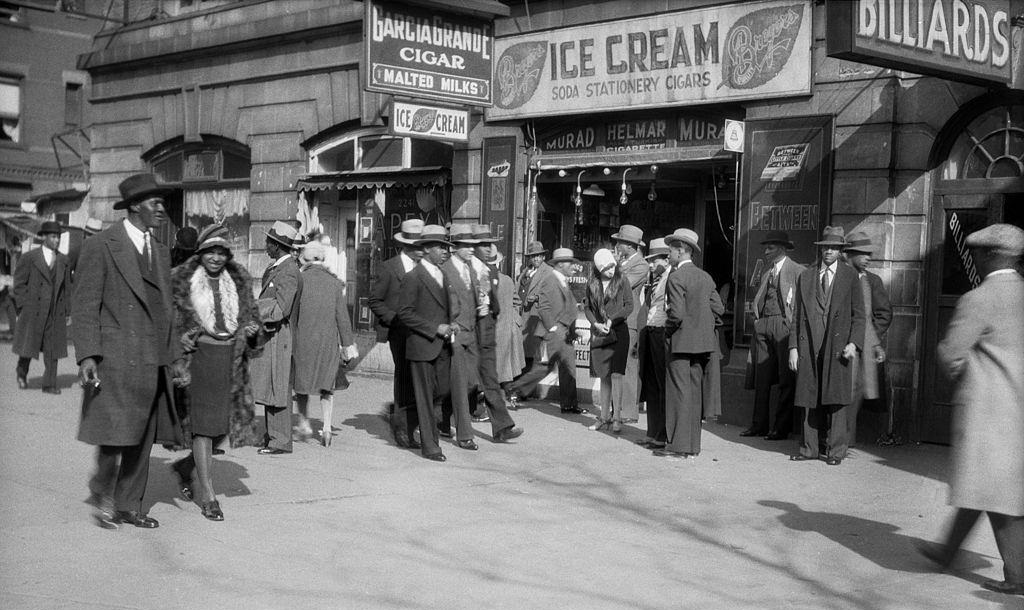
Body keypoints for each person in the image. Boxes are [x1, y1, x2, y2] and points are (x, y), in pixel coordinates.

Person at [73, 173, 185, 529]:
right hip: (116, 358)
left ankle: (129, 504)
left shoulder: (161, 252)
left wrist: (178, 359)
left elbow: (167, 309)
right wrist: (88, 355)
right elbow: (86, 304)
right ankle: (103, 489)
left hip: (152, 359)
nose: (161, 209)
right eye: (154, 202)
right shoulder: (102, 245)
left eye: (162, 203)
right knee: (114, 434)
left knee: (143, 436)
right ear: (134, 205)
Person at [920, 223, 1024, 596]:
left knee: (994, 491)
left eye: (978, 253)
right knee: (986, 486)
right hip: (1018, 411)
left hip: (989, 412)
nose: (974, 260)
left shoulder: (979, 298)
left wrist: (965, 378)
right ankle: (946, 552)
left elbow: (951, 354)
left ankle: (1017, 576)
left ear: (990, 255)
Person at [169, 224, 261, 521]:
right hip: (199, 360)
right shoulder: (182, 281)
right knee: (204, 427)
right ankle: (208, 495)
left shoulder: (239, 280)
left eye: (222, 253)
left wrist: (251, 332)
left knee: (222, 427)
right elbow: (168, 324)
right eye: (211, 252)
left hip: (231, 360)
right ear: (201, 253)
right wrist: (180, 346)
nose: (216, 258)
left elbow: (253, 319)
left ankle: (186, 466)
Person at [788, 226, 865, 466]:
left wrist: (854, 342)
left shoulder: (849, 276)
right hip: (810, 344)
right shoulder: (807, 275)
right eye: (825, 248)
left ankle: (836, 451)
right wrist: (793, 347)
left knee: (836, 400)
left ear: (841, 250)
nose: (828, 251)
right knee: (808, 396)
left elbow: (859, 315)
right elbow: (798, 316)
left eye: (833, 248)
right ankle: (809, 448)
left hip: (838, 345)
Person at [658, 229, 722, 459]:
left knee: (678, 393)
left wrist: (668, 331)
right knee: (695, 394)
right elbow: (719, 308)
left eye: (671, 251)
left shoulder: (676, 277)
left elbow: (675, 314)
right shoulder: (705, 276)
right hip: (703, 344)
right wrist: (703, 326)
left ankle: (679, 446)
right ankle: (693, 446)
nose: (668, 255)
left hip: (680, 342)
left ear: (681, 251)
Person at [396, 224, 457, 462]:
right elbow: (405, 313)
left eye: (446, 247)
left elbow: (444, 308)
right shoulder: (414, 277)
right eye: (441, 247)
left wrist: (452, 324)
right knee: (424, 396)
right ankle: (430, 446)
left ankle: (414, 428)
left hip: (442, 345)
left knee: (441, 391)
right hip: (422, 346)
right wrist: (434, 328)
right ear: (427, 249)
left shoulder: (444, 274)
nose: (445, 251)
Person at [290, 241, 358, 448]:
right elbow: (342, 318)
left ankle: (304, 423)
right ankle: (327, 428)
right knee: (326, 386)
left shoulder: (299, 280)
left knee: (302, 384)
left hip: (303, 340)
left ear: (305, 259)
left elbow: (293, 315)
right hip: (327, 342)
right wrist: (348, 346)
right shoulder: (335, 284)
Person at [368, 219, 424, 449]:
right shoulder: (389, 268)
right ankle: (402, 427)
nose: (422, 250)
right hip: (399, 332)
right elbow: (374, 300)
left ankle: (416, 422)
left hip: (421, 332)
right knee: (404, 377)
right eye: (419, 246)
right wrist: (393, 318)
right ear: (407, 246)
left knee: (419, 379)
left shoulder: (425, 269)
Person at [744, 231, 805, 440]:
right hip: (763, 326)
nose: (766, 251)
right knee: (762, 377)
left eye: (770, 248)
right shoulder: (766, 272)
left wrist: (791, 327)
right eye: (766, 247)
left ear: (781, 248)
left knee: (786, 379)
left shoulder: (798, 271)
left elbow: (801, 304)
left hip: (784, 325)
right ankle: (758, 425)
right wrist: (758, 322)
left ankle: (781, 428)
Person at [509, 247, 583, 414]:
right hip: (554, 333)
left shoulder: (562, 280)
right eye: (569, 263)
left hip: (565, 333)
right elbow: (543, 307)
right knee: (544, 368)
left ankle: (569, 404)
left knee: (569, 367)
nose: (573, 267)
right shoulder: (551, 279)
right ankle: (514, 388)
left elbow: (567, 307)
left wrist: (572, 329)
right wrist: (554, 328)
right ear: (560, 264)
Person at [250, 220, 301, 455]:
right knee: (272, 386)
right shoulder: (277, 268)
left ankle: (280, 440)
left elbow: (282, 309)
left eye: (269, 242)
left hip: (281, 337)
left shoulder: (289, 270)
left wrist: (256, 309)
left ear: (278, 245)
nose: (266, 245)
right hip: (272, 336)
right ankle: (273, 436)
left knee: (278, 387)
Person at [469, 224, 522, 441]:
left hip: (487, 335)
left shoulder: (490, 272)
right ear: (473, 247)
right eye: (483, 244)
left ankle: (502, 427)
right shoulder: (467, 269)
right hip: (469, 334)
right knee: (462, 384)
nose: (489, 249)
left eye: (490, 244)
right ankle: (427, 417)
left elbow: (496, 304)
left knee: (491, 383)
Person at [842, 232, 892, 446]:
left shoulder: (872, 281)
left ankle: (846, 440)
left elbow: (884, 314)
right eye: (862, 254)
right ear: (849, 255)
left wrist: (871, 337)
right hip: (840, 344)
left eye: (869, 254)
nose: (867, 258)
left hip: (862, 349)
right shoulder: (840, 278)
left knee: (855, 391)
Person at [12, 221, 71, 394]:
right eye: (53, 237)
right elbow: (19, 283)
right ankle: (21, 373)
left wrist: (68, 311)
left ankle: (49, 384)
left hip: (54, 312)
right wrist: (23, 305)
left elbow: (67, 288)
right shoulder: (30, 258)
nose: (57, 240)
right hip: (33, 311)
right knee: (28, 347)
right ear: (44, 237)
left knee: (52, 349)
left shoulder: (63, 260)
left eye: (58, 237)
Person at [586, 248, 634, 433]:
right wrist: (595, 324)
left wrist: (612, 319)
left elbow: (629, 305)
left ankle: (617, 418)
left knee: (616, 374)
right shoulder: (592, 283)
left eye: (612, 266)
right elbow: (588, 307)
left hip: (619, 332)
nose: (610, 270)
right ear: (599, 269)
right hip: (601, 333)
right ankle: (603, 417)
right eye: (606, 268)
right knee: (604, 376)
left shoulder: (622, 280)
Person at [610, 224, 647, 423]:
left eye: (620, 242)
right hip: (619, 318)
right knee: (619, 365)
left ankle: (628, 412)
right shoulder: (625, 263)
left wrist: (614, 268)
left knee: (629, 366)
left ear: (630, 246)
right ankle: (618, 409)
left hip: (630, 320)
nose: (617, 245)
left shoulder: (640, 265)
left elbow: (619, 286)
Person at [635, 238, 670, 449]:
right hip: (650, 333)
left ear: (666, 260)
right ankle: (652, 431)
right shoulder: (654, 280)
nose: (650, 265)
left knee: (660, 385)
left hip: (661, 333)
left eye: (654, 260)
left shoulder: (670, 278)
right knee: (651, 385)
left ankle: (661, 434)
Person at [491, 251, 526, 407]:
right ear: (499, 263)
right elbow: (517, 301)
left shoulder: (483, 280)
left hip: (491, 328)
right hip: (507, 327)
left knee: (492, 366)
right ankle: (510, 395)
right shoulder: (508, 280)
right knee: (507, 365)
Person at [516, 240, 553, 376]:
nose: (536, 258)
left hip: (535, 318)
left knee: (531, 354)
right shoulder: (525, 271)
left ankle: (526, 391)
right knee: (521, 354)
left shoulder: (548, 272)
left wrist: (537, 297)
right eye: (533, 256)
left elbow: (552, 294)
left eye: (538, 256)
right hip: (522, 318)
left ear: (543, 257)